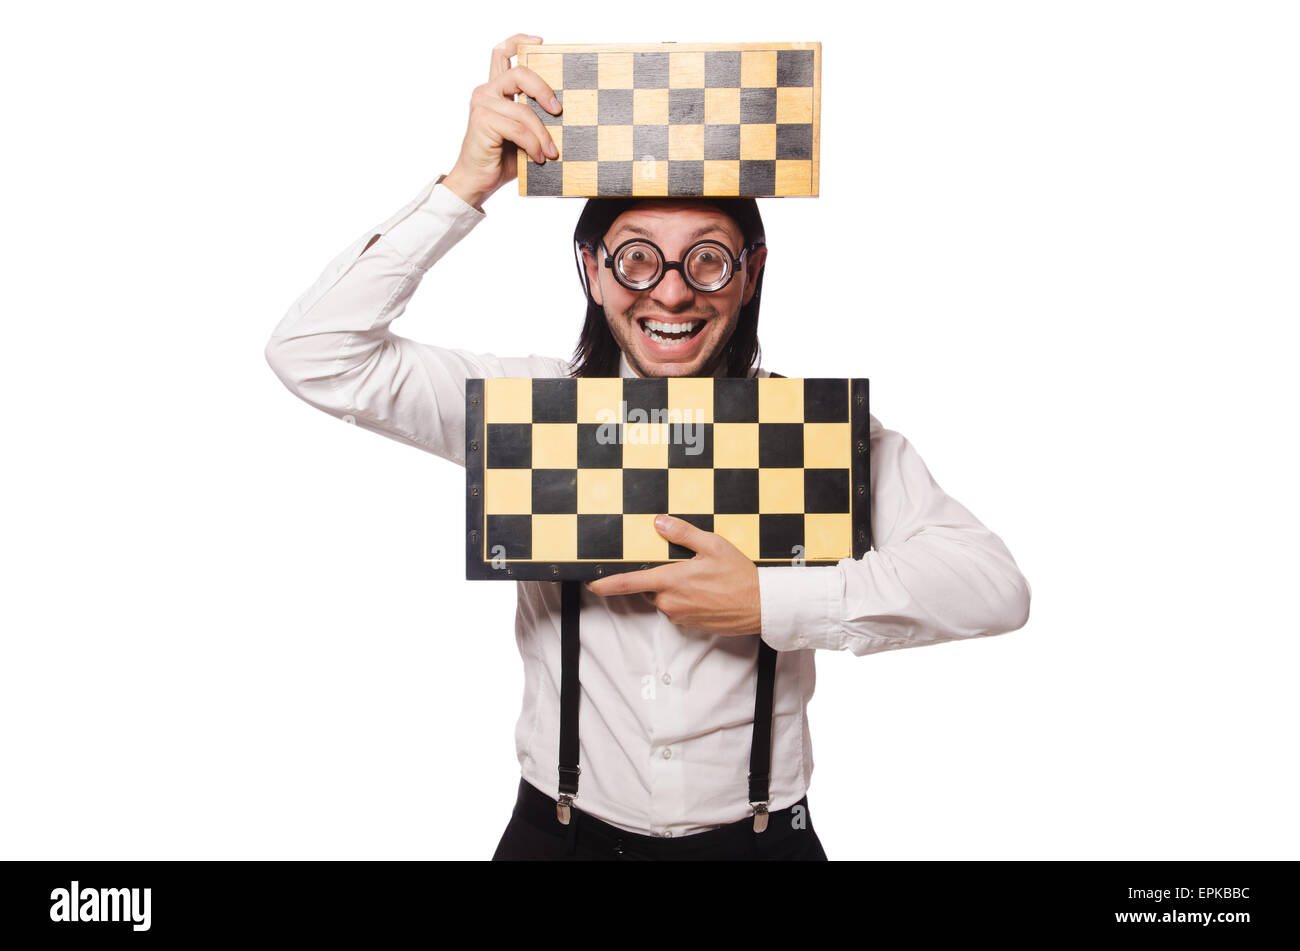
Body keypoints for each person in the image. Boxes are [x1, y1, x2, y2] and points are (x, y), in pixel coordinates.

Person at [263, 33, 1032, 861]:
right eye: (636, 258)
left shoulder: (815, 437)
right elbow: (314, 352)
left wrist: (774, 602)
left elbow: (993, 586)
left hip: (760, 841)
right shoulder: (529, 413)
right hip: (557, 837)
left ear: (749, 271)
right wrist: (466, 185)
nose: (670, 289)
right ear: (593, 271)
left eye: (706, 258)